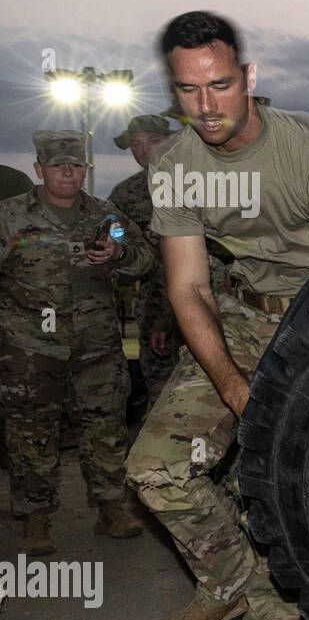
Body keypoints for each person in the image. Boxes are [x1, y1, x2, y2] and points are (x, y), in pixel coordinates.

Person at [126, 11, 309, 620]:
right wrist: (235, 387)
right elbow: (188, 286)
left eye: (221, 84)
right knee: (156, 467)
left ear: (249, 78)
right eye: (189, 90)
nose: (207, 106)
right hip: (236, 312)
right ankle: (228, 583)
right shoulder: (176, 164)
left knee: (270, 474)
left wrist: (289, 387)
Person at [1, 130, 156, 555]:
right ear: (39, 170)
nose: (68, 173)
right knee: (31, 432)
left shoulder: (108, 218)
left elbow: (143, 260)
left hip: (96, 347)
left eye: (76, 166)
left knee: (105, 426)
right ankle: (35, 517)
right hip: (29, 347)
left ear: (85, 170)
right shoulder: (10, 216)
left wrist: (117, 254)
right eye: (58, 166)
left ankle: (110, 508)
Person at [109, 114, 231, 406]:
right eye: (136, 144)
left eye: (153, 141)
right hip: (154, 302)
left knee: (215, 384)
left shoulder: (203, 183)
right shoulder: (124, 194)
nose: (143, 150)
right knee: (160, 387)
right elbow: (118, 246)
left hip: (210, 299)